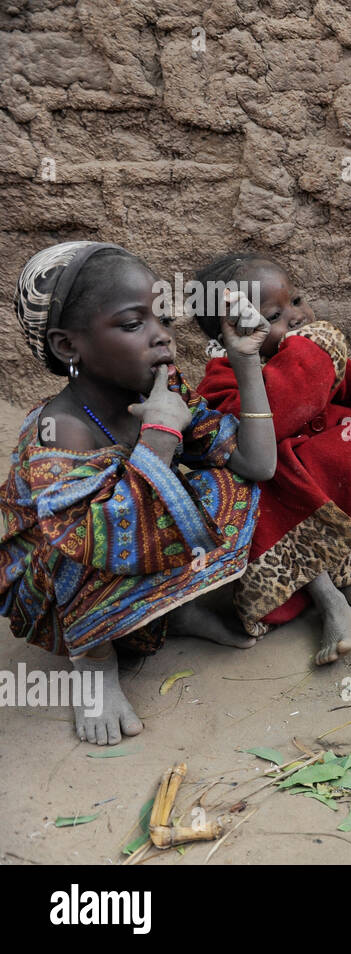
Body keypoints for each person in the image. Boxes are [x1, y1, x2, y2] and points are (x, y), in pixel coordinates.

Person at [1, 241, 277, 745]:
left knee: (221, 485)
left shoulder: (160, 388)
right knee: (82, 529)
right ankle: (95, 660)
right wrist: (159, 439)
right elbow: (89, 539)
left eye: (164, 321)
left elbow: (256, 464)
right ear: (68, 347)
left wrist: (245, 362)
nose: (162, 340)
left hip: (121, 546)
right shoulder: (58, 429)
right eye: (133, 325)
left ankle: (169, 611)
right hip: (53, 587)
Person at [191, 253, 351, 665]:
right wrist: (303, 358)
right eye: (275, 313)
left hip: (330, 464)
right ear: (228, 334)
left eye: (298, 301)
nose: (296, 316)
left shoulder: (313, 350)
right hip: (281, 480)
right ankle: (328, 596)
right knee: (264, 485)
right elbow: (263, 428)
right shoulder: (222, 374)